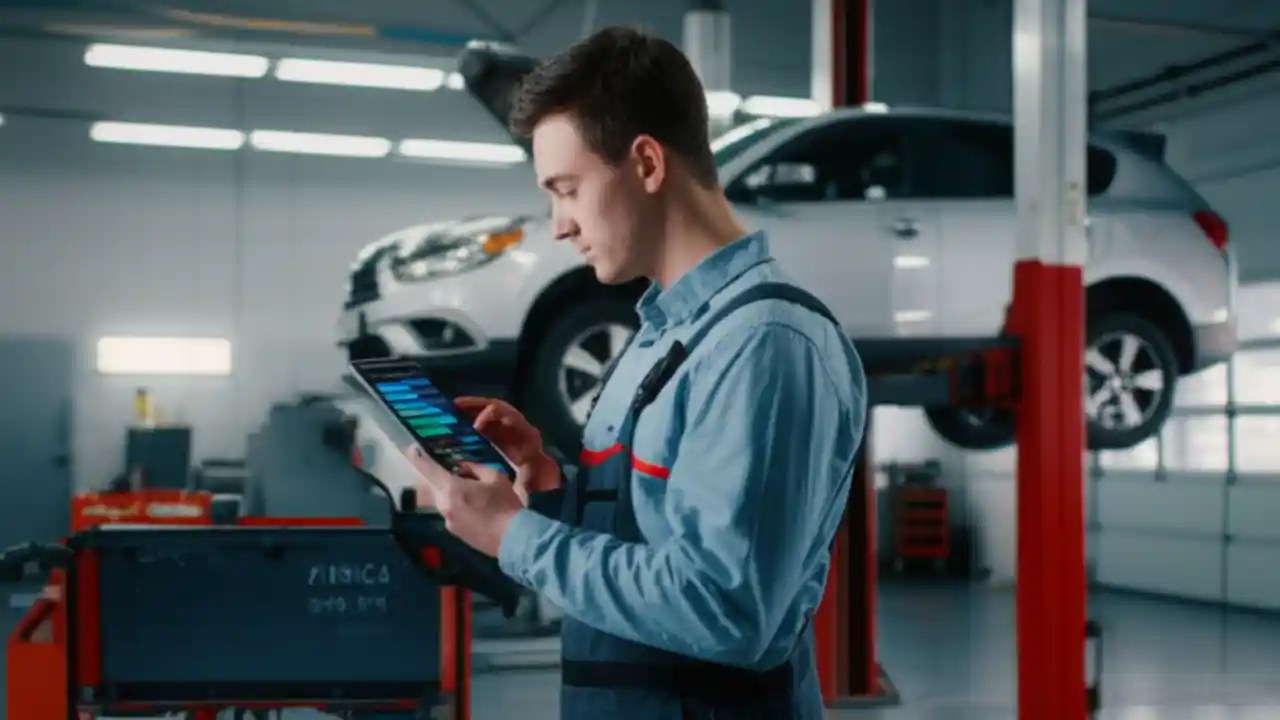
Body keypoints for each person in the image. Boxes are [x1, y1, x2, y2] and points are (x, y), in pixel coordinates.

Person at [405, 25, 867, 720]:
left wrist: (514, 536)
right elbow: (641, 540)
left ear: (647, 163)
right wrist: (543, 484)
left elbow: (725, 608)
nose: (559, 225)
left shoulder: (763, 344)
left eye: (567, 190)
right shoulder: (659, 334)